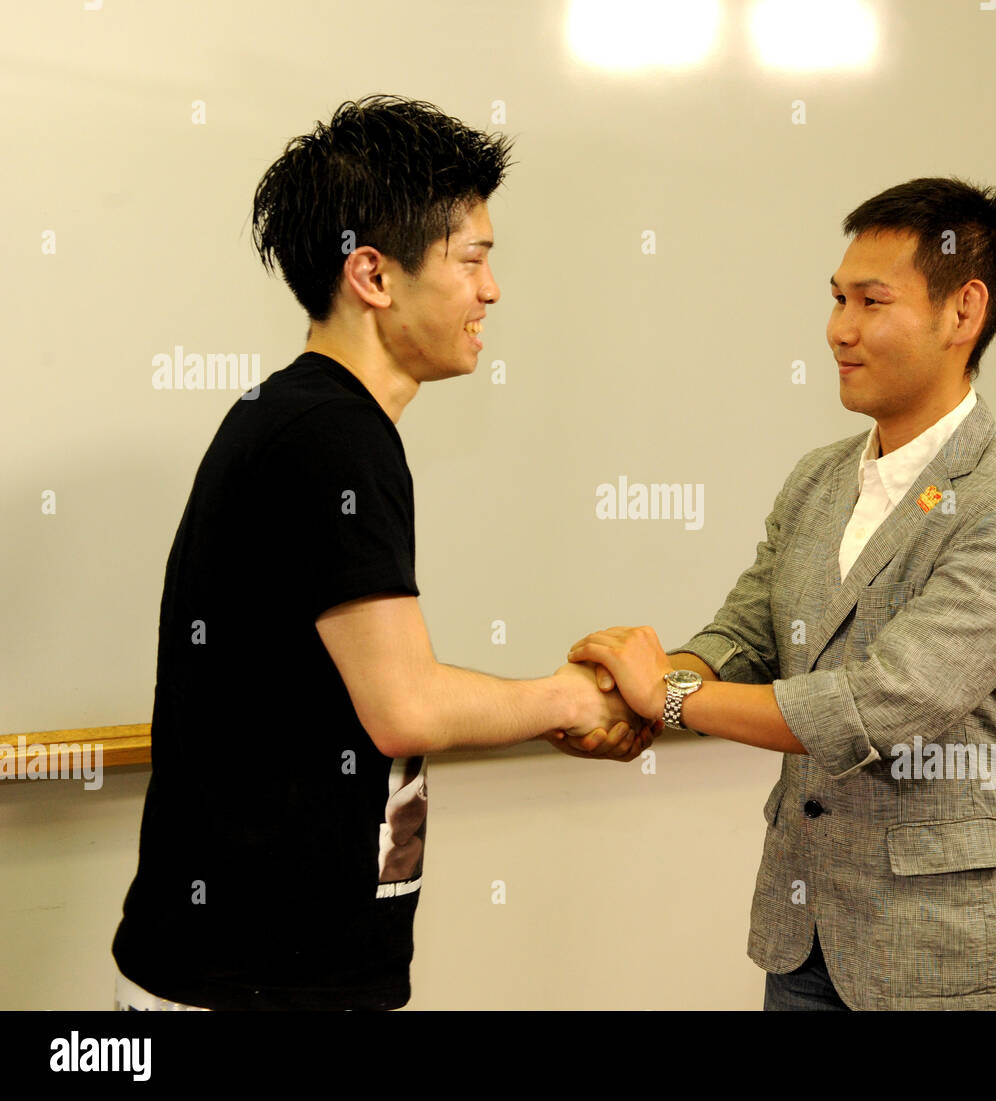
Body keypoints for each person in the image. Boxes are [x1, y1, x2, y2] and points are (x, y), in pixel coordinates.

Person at [112, 95, 650, 1012]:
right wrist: (575, 694)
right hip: (256, 979)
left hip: (258, 966)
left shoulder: (305, 418)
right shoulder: (332, 435)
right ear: (372, 274)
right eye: (472, 258)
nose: (492, 290)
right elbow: (404, 705)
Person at [561, 177, 996, 1010]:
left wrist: (664, 698)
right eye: (837, 297)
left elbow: (876, 706)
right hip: (805, 941)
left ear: (964, 313)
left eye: (871, 301)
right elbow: (742, 636)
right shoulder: (818, 478)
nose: (838, 329)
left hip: (960, 963)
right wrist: (613, 697)